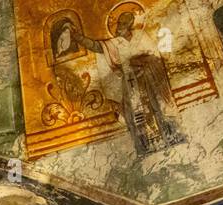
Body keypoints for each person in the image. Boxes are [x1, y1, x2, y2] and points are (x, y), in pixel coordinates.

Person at [72, 12, 184, 155]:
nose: (119, 27)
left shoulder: (140, 36)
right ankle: (145, 146)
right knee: (136, 113)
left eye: (123, 24)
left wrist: (141, 61)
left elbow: (155, 55)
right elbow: (95, 46)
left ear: (129, 25)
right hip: (131, 83)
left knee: (160, 106)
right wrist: (77, 37)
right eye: (118, 23)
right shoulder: (115, 43)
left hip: (151, 79)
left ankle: (171, 136)